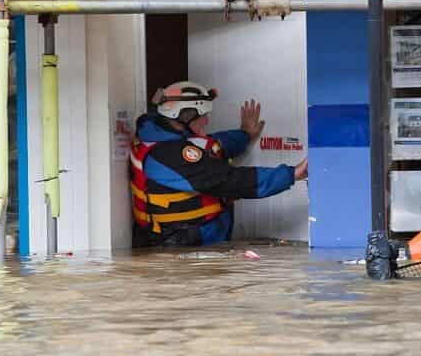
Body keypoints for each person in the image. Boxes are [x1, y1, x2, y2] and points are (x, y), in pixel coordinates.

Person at [130, 81, 307, 247]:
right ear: (185, 116)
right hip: (182, 244)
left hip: (190, 235)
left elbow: (214, 144)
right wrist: (292, 174)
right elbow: (227, 180)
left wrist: (244, 134)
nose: (207, 121)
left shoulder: (160, 135)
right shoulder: (166, 155)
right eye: (203, 116)